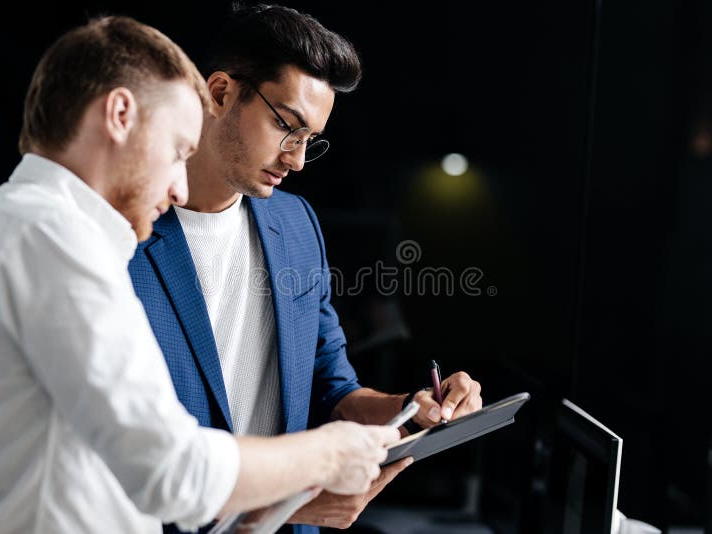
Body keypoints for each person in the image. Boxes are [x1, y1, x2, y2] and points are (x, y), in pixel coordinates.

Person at [0, 15, 399, 534]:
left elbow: (107, 463)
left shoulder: (32, 229)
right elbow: (170, 469)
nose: (179, 189)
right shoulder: (48, 238)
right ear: (120, 115)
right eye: (178, 150)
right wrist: (329, 454)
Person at [127, 5, 483, 532]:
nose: (295, 159)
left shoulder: (295, 224)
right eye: (286, 126)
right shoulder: (123, 232)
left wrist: (413, 406)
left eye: (310, 140)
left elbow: (333, 389)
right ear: (220, 93)